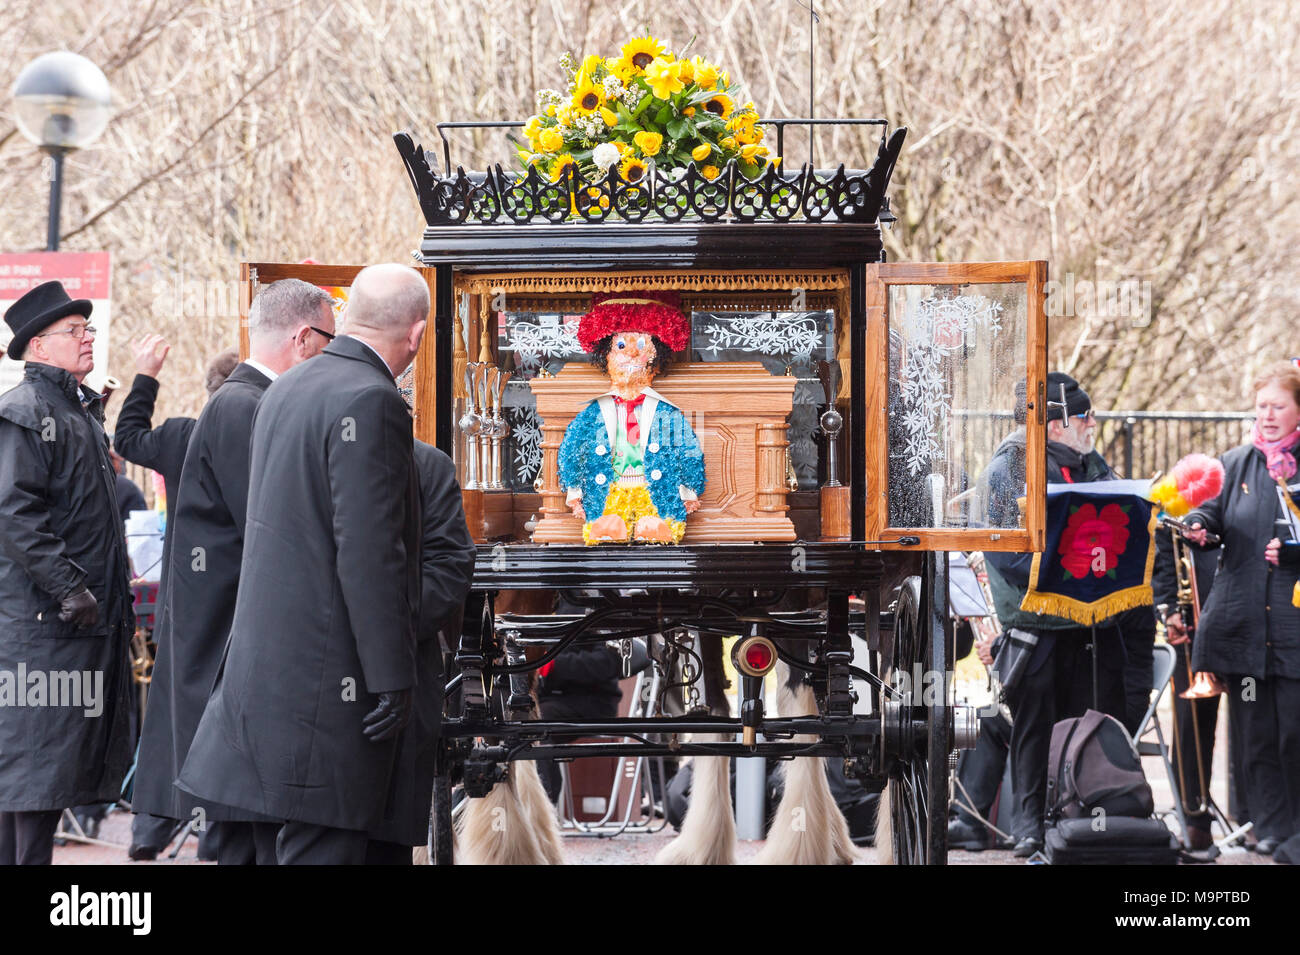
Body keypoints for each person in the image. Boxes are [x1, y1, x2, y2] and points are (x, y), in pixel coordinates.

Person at [178, 263, 430, 864]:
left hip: (269, 678)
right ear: (417, 335)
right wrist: (391, 675)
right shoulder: (372, 400)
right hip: (331, 685)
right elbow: (369, 551)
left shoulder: (287, 387)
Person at [131, 279, 336, 865]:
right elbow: (273, 535)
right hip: (228, 649)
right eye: (331, 338)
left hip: (227, 648)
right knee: (241, 832)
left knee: (239, 830)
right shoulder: (247, 406)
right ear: (303, 339)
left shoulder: (245, 401)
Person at [979, 370, 1155, 857]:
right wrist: (1070, 572)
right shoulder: (1008, 469)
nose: (1093, 423)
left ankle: (1089, 819)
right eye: (1084, 416)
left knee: (1094, 723)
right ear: (1055, 424)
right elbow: (1004, 554)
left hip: (1094, 626)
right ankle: (1029, 828)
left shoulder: (1093, 465)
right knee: (1035, 731)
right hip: (1037, 628)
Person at [0, 281, 135, 865]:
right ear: (38, 347)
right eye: (74, 332)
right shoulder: (24, 410)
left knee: (43, 780)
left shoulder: (72, 410)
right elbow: (15, 509)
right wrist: (69, 587)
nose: (88, 340)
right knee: (35, 776)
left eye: (89, 329)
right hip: (44, 629)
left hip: (70, 628)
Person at [114, 336, 237, 860]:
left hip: (183, 605)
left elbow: (127, 436)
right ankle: (215, 833)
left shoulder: (181, 434)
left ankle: (150, 829)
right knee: (223, 722)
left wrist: (147, 376)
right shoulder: (254, 430)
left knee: (172, 721)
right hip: (233, 603)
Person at [1185, 360, 1300, 858]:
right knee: (1255, 733)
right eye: (1261, 407)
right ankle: (1270, 827)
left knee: (1294, 732)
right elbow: (1212, 514)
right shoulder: (1234, 462)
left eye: (1278, 406)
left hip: (1294, 631)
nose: (1268, 415)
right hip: (1245, 632)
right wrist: (1197, 525)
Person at [364, 438, 475, 864]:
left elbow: (449, 565)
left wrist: (387, 633)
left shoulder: (426, 465)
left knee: (386, 843)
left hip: (402, 671)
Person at [1151, 523, 1221, 850]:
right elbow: (1162, 566)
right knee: (1191, 724)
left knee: (1255, 717)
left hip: (1241, 623)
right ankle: (1193, 817)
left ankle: (1260, 816)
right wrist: (1168, 611)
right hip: (1191, 631)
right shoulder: (1172, 510)